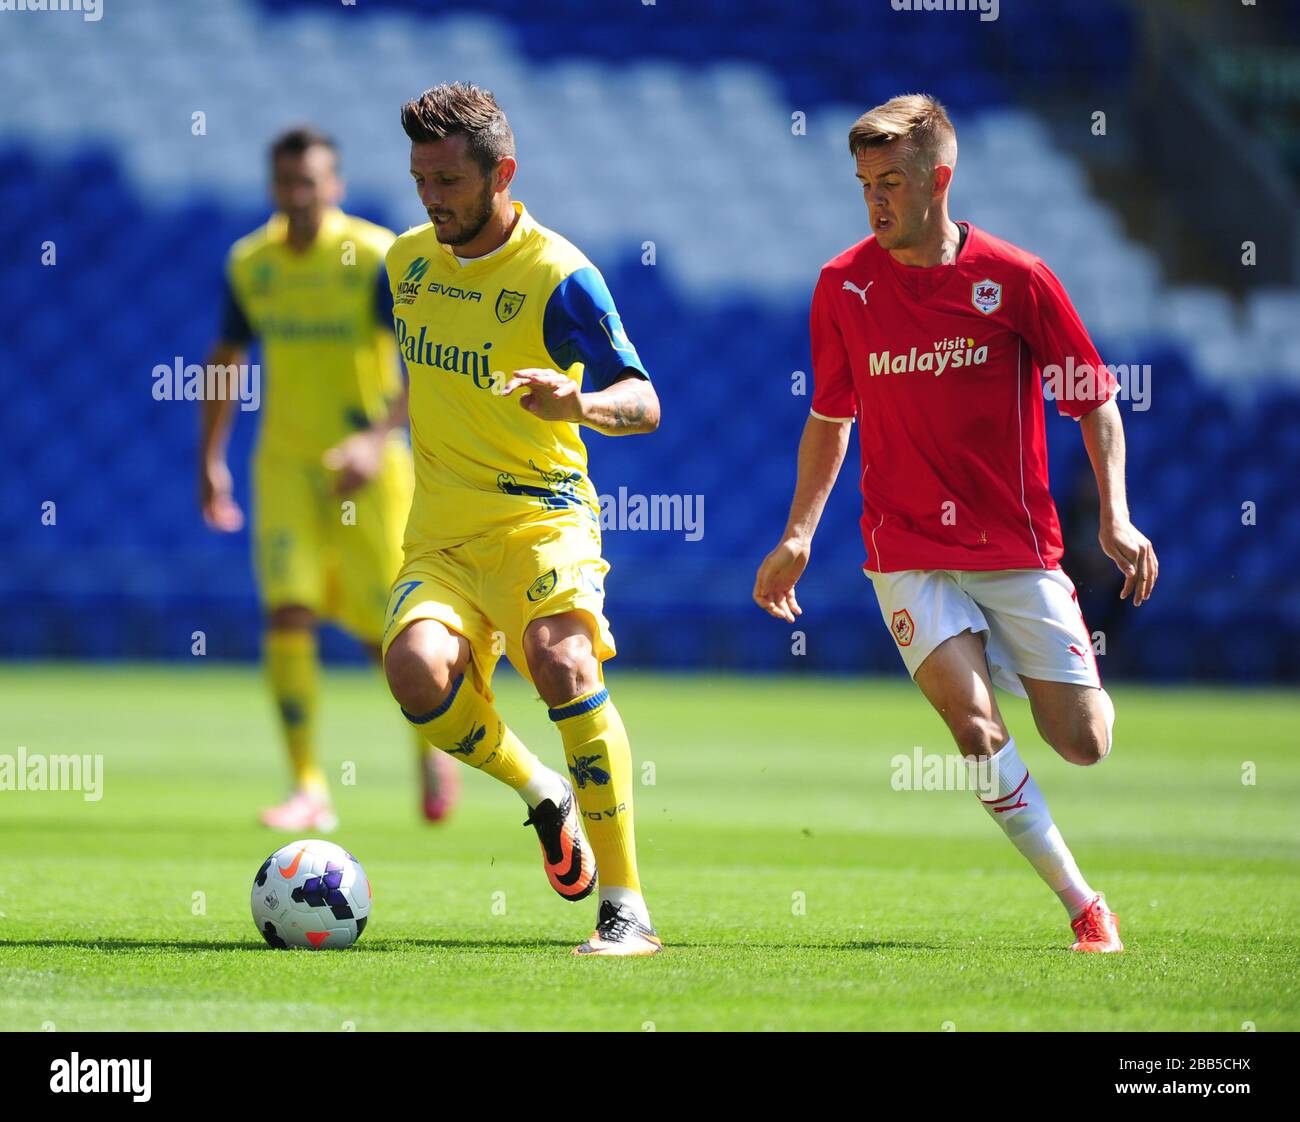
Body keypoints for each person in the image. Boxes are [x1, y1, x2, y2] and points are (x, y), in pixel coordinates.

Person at [754, 94, 1158, 953]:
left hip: (1015, 548)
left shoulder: (1017, 278)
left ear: (940, 180)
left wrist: (1115, 519)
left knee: (1083, 743)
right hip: (904, 550)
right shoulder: (841, 286)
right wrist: (799, 534)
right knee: (974, 729)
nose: (875, 199)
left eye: (891, 180)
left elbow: (1095, 401)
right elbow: (830, 419)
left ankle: (1029, 654)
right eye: (864, 182)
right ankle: (1085, 907)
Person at [379, 84, 663, 956]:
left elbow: (644, 402)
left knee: (560, 660)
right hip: (441, 534)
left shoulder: (557, 275)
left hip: (542, 518)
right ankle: (543, 790)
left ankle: (626, 908)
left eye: (449, 181)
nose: (432, 197)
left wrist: (578, 402)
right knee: (416, 675)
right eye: (421, 178)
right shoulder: (405, 263)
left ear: (502, 172)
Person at [200, 126, 458, 833]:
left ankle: (434, 748)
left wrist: (377, 441)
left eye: (310, 184)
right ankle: (309, 785)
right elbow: (225, 361)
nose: (298, 197)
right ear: (273, 188)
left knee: (398, 635)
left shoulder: (374, 257)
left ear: (334, 186)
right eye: (286, 185)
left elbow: (426, 364)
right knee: (288, 610)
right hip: (284, 464)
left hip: (372, 472)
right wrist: (211, 461)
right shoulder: (251, 263)